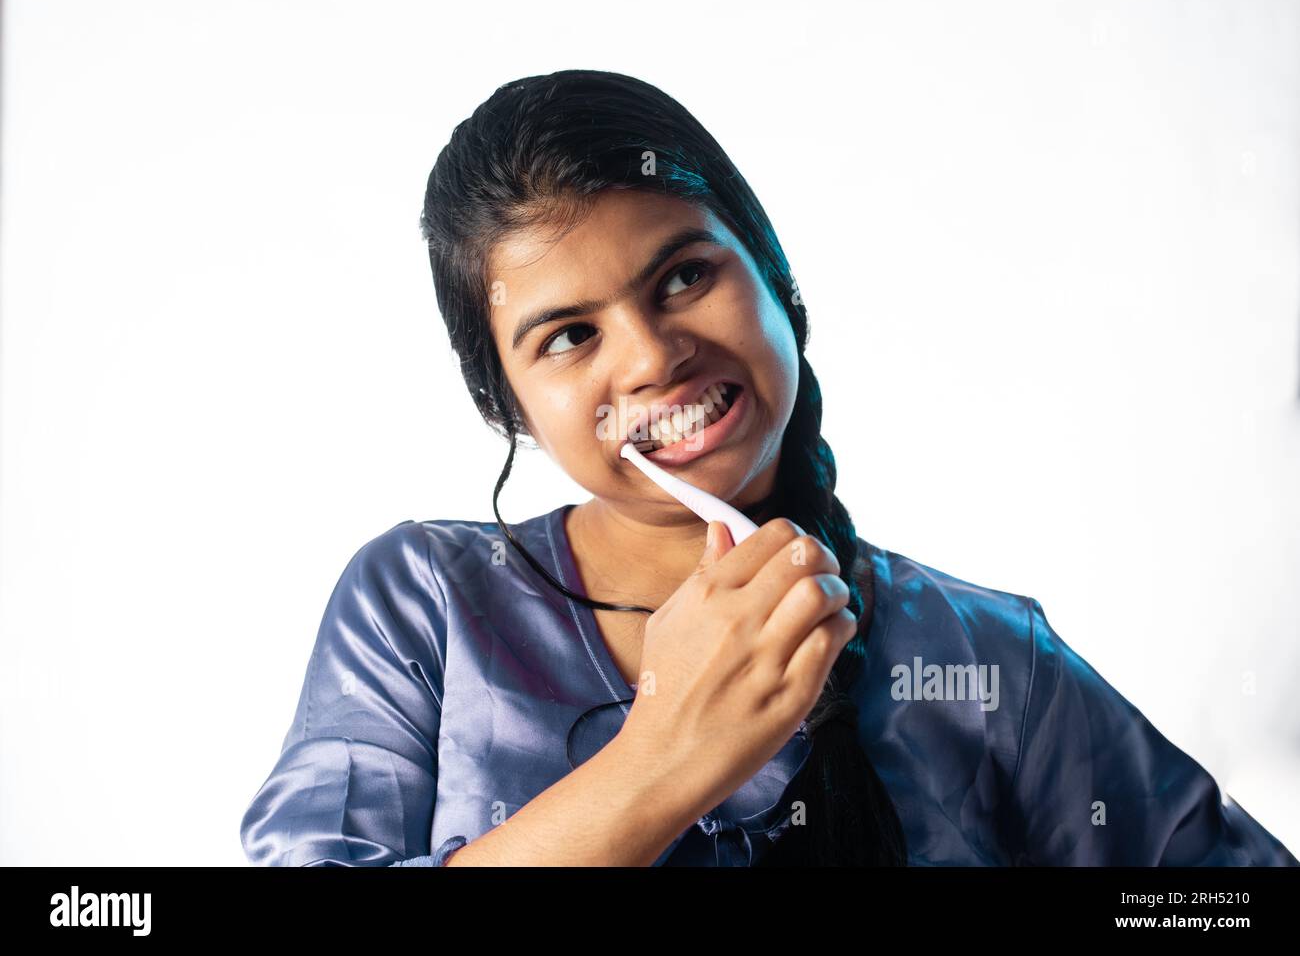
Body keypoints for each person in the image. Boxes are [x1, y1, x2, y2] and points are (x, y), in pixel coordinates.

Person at [239, 69, 1298, 867]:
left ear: (779, 280)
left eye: (683, 275)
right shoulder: (421, 606)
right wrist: (665, 755)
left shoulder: (984, 657)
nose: (651, 356)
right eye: (567, 336)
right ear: (503, 403)